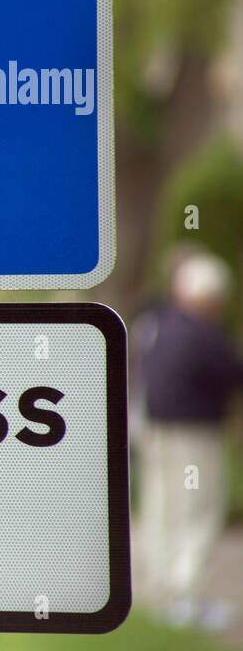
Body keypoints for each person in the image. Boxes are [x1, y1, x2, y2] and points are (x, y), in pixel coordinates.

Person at [137, 250, 243, 629]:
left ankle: (162, 588)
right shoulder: (202, 333)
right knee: (196, 511)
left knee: (162, 508)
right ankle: (183, 594)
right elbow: (231, 373)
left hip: (156, 430)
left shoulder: (158, 324)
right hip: (193, 435)